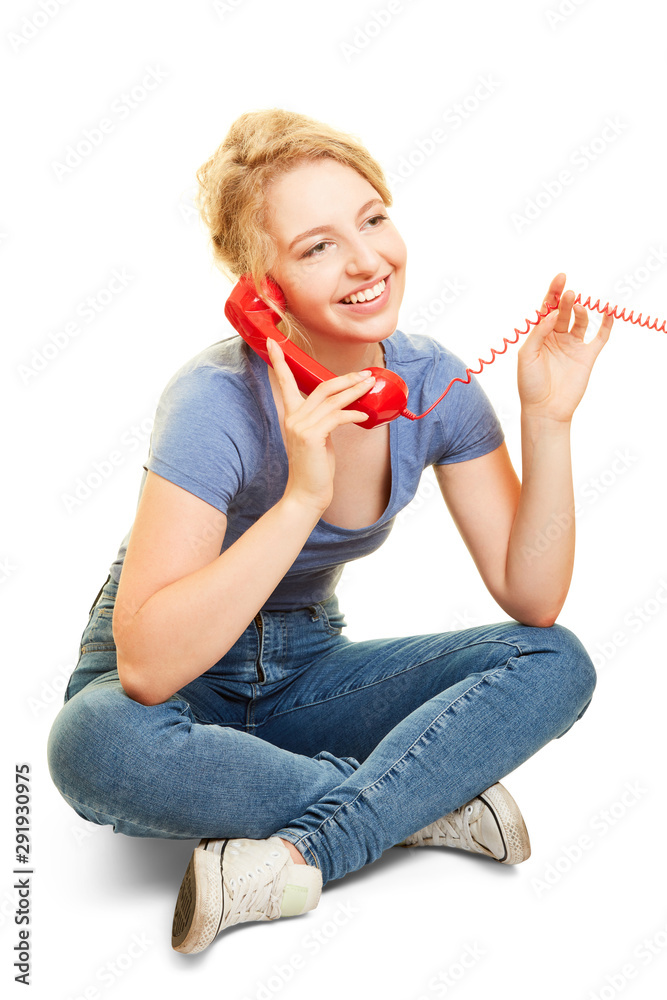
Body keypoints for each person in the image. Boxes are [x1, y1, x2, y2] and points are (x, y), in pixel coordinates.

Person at [47, 108, 613, 956]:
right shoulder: (214, 401)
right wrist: (301, 497)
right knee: (92, 745)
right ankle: (422, 804)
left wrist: (547, 420)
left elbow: (531, 597)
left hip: (306, 670)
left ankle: (304, 848)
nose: (367, 262)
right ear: (259, 293)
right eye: (317, 246)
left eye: (373, 220)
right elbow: (146, 665)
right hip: (176, 675)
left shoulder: (434, 385)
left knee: (556, 658)